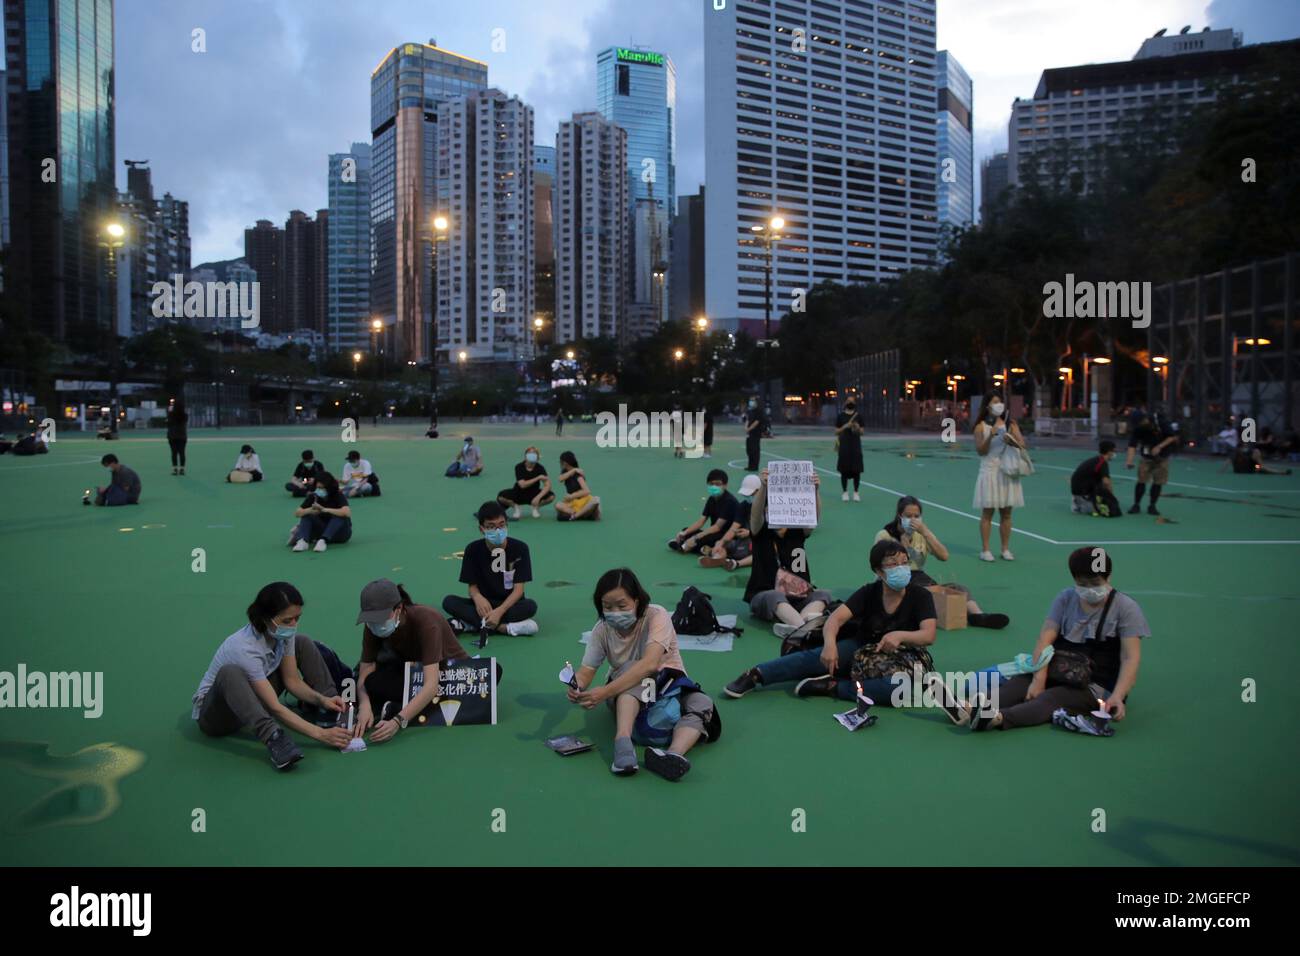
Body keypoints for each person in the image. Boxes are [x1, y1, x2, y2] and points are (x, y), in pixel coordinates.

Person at [725, 539, 938, 706]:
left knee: (900, 689)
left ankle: (833, 686)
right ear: (878, 571)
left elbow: (928, 635)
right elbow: (835, 619)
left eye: (903, 563)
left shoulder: (920, 595)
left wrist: (901, 635)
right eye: (892, 564)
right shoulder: (868, 592)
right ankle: (757, 675)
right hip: (862, 648)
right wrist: (829, 644)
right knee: (813, 658)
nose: (900, 568)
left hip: (905, 656)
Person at [967, 546, 1150, 732]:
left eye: (1095, 582)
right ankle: (968, 710)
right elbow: (1044, 639)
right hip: (1058, 669)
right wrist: (1039, 678)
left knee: (1052, 698)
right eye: (1082, 583)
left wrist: (1118, 695)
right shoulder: (1066, 598)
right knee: (1018, 685)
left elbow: (1130, 658)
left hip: (1094, 684)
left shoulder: (1126, 608)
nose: (1089, 589)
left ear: (1108, 577)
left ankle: (997, 718)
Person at [569, 568, 719, 780]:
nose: (615, 612)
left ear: (637, 601)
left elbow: (651, 663)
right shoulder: (601, 630)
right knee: (634, 671)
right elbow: (586, 671)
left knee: (702, 702)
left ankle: (672, 755)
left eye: (622, 605)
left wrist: (602, 693)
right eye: (607, 606)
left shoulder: (656, 616)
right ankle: (623, 745)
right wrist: (577, 686)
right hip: (624, 692)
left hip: (668, 685)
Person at [191, 582, 350, 770]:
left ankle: (332, 708)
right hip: (218, 716)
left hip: (254, 697)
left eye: (297, 618)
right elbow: (275, 707)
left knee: (302, 642)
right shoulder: (244, 648)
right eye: (287, 620)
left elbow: (292, 680)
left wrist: (322, 700)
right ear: (266, 618)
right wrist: (321, 735)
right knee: (230, 672)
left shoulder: (284, 633)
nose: (293, 625)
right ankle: (274, 738)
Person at [352, 579, 484, 743]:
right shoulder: (372, 627)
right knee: (370, 682)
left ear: (399, 608)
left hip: (446, 671)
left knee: (488, 678)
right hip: (413, 671)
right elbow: (366, 670)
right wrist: (364, 705)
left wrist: (398, 721)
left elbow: (431, 684)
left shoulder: (427, 621)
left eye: (379, 618)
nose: (375, 625)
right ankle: (404, 705)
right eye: (370, 619)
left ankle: (398, 708)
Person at [874, 495, 1009, 628]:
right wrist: (903, 547)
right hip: (893, 579)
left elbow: (944, 556)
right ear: (899, 516)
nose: (913, 520)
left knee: (958, 588)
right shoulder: (885, 535)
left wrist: (926, 533)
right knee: (923, 594)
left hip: (919, 577)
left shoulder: (921, 534)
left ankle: (978, 616)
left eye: (917, 516)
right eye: (908, 516)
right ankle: (944, 613)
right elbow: (882, 564)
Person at [742, 468, 832, 637]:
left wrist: (815, 491)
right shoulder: (761, 533)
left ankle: (797, 627)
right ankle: (807, 630)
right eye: (770, 509)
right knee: (774, 597)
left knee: (823, 594)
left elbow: (814, 518)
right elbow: (755, 515)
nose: (776, 512)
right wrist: (763, 487)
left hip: (799, 597)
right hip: (765, 596)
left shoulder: (797, 533)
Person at [442, 501, 539, 637]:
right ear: (482, 529)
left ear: (507, 524)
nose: (497, 530)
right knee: (449, 601)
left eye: (501, 525)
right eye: (491, 527)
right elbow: (472, 587)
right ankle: (502, 627)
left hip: (509, 604)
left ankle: (470, 624)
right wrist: (477, 598)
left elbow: (518, 590)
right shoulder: (473, 549)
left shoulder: (520, 548)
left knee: (530, 606)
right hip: (484, 604)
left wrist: (499, 611)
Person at [973, 392, 1026, 561]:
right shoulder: (980, 426)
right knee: (988, 512)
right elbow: (981, 451)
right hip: (989, 470)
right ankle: (985, 550)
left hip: (1006, 471)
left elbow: (1022, 445)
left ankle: (1005, 549)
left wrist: (1013, 437)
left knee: (1007, 513)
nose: (999, 405)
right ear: (987, 406)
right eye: (995, 402)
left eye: (1000, 402)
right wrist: (991, 434)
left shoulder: (1010, 423)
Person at [668, 468, 738, 556]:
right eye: (711, 484)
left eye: (717, 484)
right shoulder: (711, 499)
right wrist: (685, 533)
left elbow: (717, 527)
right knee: (686, 530)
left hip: (726, 536)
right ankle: (697, 547)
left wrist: (695, 537)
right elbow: (701, 521)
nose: (714, 486)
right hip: (714, 532)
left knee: (702, 538)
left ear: (725, 485)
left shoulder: (729, 501)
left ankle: (685, 546)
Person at [699, 473, 760, 570]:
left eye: (750, 494)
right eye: (745, 494)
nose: (748, 497)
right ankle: (718, 558)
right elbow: (733, 528)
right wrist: (720, 542)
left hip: (762, 540)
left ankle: (737, 563)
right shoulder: (744, 506)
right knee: (725, 543)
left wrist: (750, 533)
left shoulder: (769, 506)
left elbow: (772, 532)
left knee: (764, 551)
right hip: (745, 541)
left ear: (759, 491)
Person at [1125, 409, 1179, 515]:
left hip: (1162, 456)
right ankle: (1136, 504)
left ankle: (1152, 505)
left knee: (1158, 482)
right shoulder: (1138, 428)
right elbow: (1132, 445)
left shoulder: (1160, 421)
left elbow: (1172, 437)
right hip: (1146, 457)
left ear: (1145, 418)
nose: (1140, 425)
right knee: (1141, 480)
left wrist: (1159, 446)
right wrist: (1129, 461)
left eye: (1140, 422)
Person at [288, 472, 352, 552]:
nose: (319, 490)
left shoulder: (338, 495)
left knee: (340, 515)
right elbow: (297, 513)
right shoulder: (313, 496)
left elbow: (347, 512)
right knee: (307, 514)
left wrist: (324, 509)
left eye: (322, 488)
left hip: (340, 533)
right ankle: (303, 541)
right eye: (317, 487)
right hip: (321, 530)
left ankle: (323, 540)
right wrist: (310, 510)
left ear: (329, 487)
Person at [496, 446, 555, 518]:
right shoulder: (519, 467)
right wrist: (538, 478)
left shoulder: (540, 468)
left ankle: (535, 508)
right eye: (529, 453)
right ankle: (516, 507)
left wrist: (538, 498)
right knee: (501, 496)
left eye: (534, 453)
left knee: (551, 496)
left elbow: (548, 485)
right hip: (518, 492)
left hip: (534, 493)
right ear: (525, 456)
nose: (532, 455)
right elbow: (522, 485)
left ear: (537, 457)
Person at [1070, 441, 1122, 517]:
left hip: (1078, 490)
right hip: (1083, 492)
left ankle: (1080, 501)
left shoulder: (1096, 460)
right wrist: (1112, 498)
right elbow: (1106, 482)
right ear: (1109, 452)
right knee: (1107, 507)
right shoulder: (1102, 463)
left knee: (1100, 484)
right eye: (1114, 451)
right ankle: (1083, 504)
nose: (1114, 454)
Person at [554, 450, 601, 521]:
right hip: (573, 503)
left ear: (565, 463)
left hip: (583, 501)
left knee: (596, 500)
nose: (560, 463)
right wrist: (573, 470)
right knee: (557, 505)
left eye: (561, 462)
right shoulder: (566, 473)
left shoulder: (578, 476)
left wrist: (571, 496)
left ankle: (575, 516)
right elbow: (560, 479)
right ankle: (582, 514)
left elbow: (587, 491)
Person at [835, 399, 864, 501]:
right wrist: (845, 426)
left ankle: (856, 492)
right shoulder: (840, 416)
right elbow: (836, 431)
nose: (850, 403)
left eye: (852, 402)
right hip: (844, 445)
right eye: (848, 402)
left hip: (856, 446)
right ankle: (845, 492)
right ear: (845, 404)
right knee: (844, 470)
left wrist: (857, 428)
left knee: (857, 470)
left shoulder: (858, 416)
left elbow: (862, 432)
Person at [166, 399, 188, 476]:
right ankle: (182, 469)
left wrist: (170, 409)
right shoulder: (184, 415)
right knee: (182, 452)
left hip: (172, 435)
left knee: (174, 453)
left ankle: (175, 469)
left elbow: (168, 423)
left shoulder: (171, 414)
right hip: (182, 435)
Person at [744, 397, 764, 471]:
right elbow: (747, 420)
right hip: (749, 434)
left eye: (753, 401)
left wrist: (749, 429)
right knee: (749, 450)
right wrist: (746, 427)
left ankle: (754, 466)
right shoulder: (750, 411)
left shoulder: (759, 411)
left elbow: (757, 422)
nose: (751, 402)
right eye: (750, 400)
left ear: (756, 402)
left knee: (754, 450)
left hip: (755, 433)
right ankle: (750, 465)